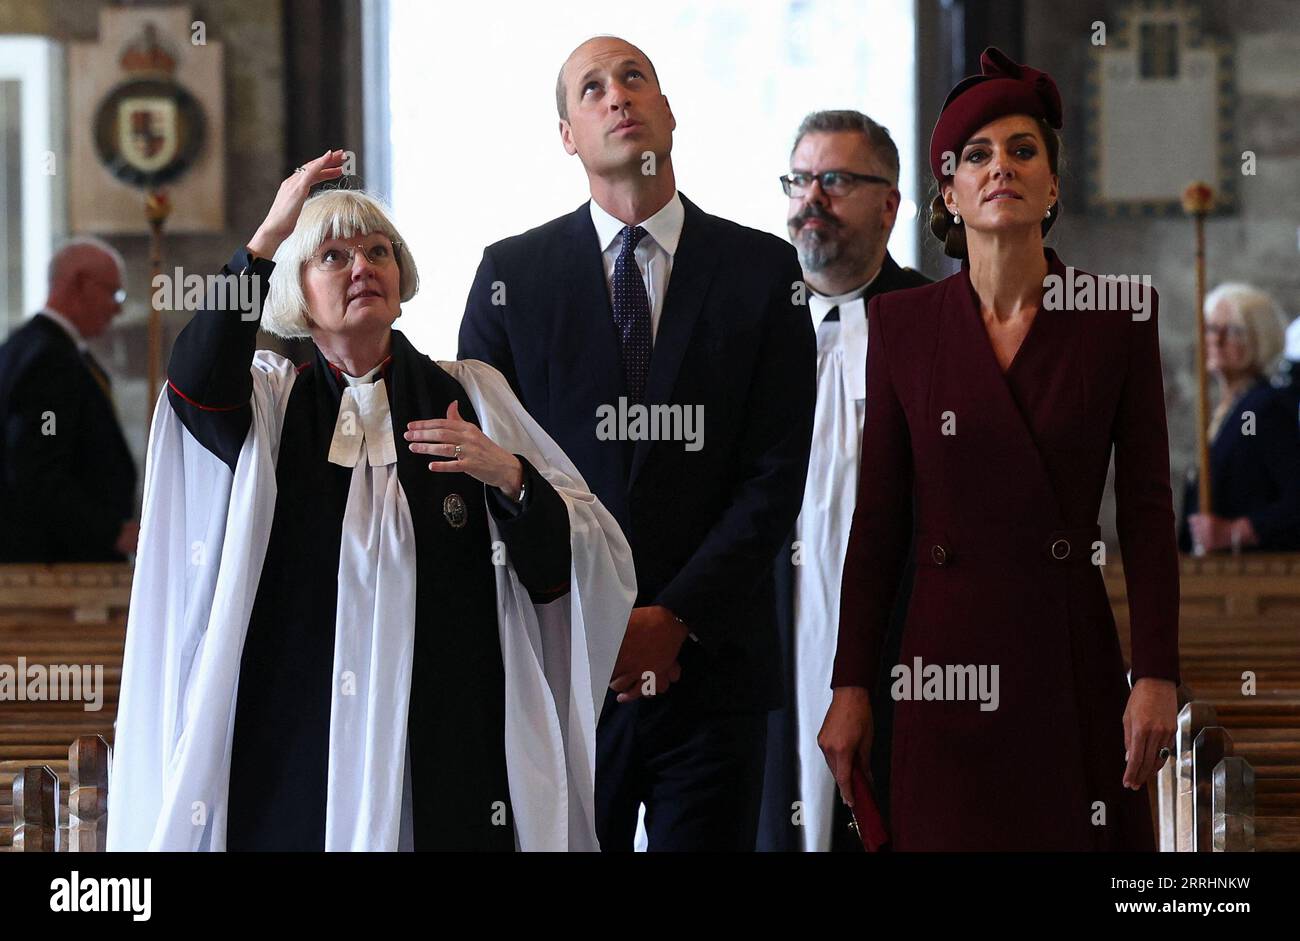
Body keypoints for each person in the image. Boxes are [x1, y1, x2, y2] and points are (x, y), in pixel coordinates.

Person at [107, 153, 635, 852]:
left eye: (377, 251)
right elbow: (197, 382)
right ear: (296, 287)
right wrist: (263, 240)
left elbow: (561, 569)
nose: (362, 266)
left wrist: (512, 479)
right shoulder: (273, 407)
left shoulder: (471, 393)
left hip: (447, 733)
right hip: (295, 730)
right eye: (333, 254)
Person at [459, 36, 816, 851]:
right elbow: (488, 463)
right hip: (563, 666)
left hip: (714, 665)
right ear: (566, 135)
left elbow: (776, 473)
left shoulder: (763, 271)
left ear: (668, 112)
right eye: (591, 88)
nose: (617, 96)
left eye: (634, 78)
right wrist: (588, 610)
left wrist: (676, 614)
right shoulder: (512, 275)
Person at [819, 48, 1180, 851]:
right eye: (976, 154)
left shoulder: (1118, 316)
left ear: (1053, 184)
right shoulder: (905, 326)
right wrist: (850, 683)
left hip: (1069, 651)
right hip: (941, 663)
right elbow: (878, 522)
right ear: (948, 190)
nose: (1001, 168)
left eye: (1024, 150)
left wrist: (1156, 670)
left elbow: (1149, 511)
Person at [758, 110, 930, 853]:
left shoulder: (933, 321)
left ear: (890, 204)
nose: (811, 199)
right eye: (799, 180)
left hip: (896, 632)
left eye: (835, 180)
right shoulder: (751, 323)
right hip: (770, 623)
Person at [0, 237, 137, 562]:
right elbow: (39, 468)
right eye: (113, 293)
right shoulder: (49, 362)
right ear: (79, 284)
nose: (118, 309)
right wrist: (112, 532)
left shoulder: (23, 347)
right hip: (58, 562)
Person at [1179, 283, 1300, 552]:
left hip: (1250, 580)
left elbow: (1296, 501)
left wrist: (1236, 531)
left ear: (1259, 338)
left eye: (1233, 330)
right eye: (1211, 328)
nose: (1216, 339)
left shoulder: (1263, 408)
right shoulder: (1232, 410)